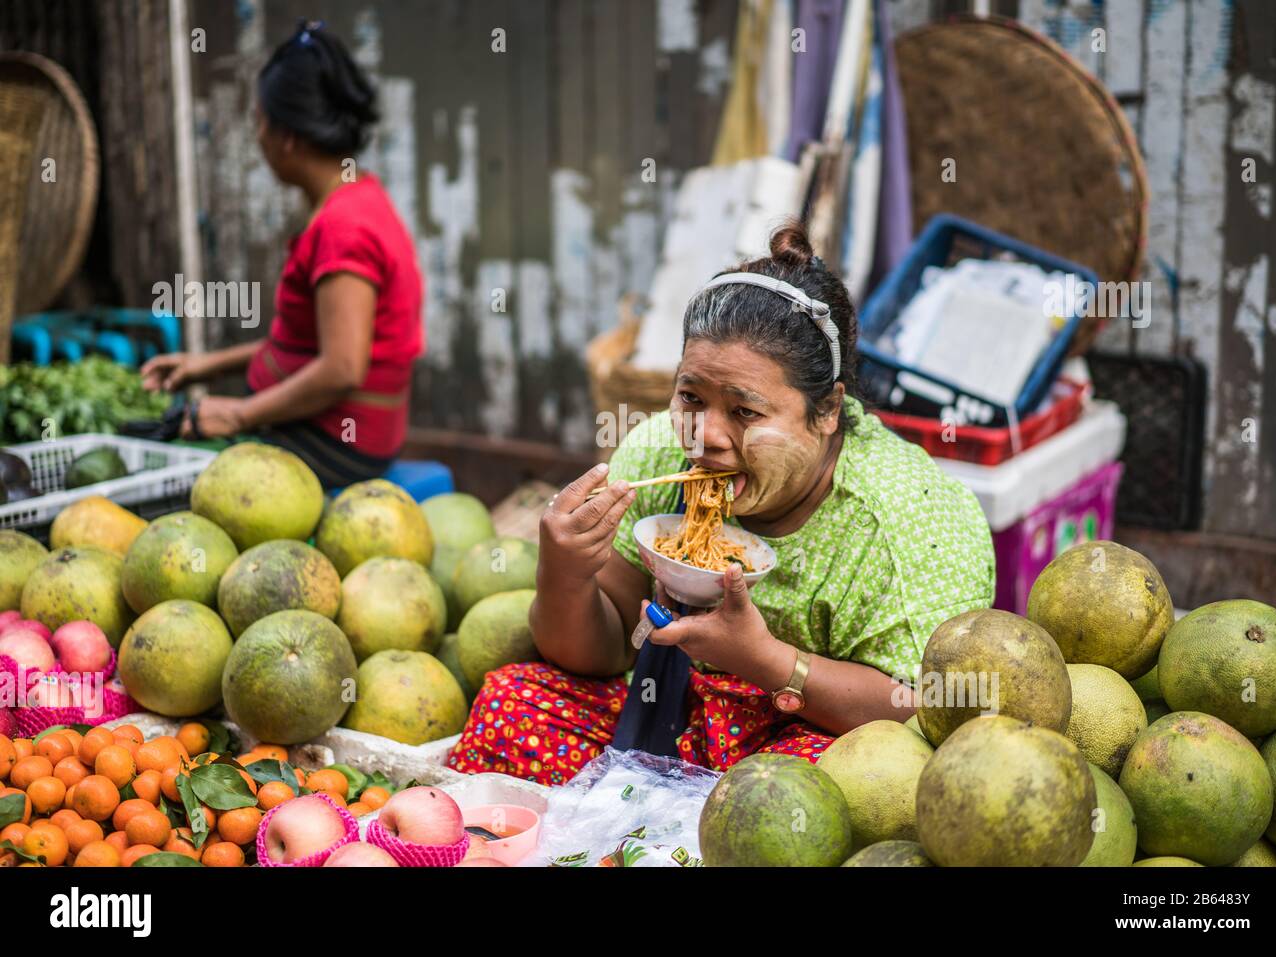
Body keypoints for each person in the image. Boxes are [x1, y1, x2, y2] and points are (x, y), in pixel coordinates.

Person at [449, 222, 995, 786]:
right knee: (510, 702)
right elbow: (603, 652)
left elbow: (924, 705)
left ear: (828, 410)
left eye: (744, 412)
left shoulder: (911, 520)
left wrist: (766, 662)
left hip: (808, 739)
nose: (702, 436)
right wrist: (563, 572)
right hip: (666, 707)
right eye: (691, 397)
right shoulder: (659, 450)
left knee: (840, 794)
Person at [142, 21, 422, 487]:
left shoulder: (344, 226)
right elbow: (311, 344)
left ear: (288, 135)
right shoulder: (359, 197)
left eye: (260, 121)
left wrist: (237, 415)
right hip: (345, 435)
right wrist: (204, 366)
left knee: (170, 468)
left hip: (339, 446)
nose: (258, 137)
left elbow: (342, 367)